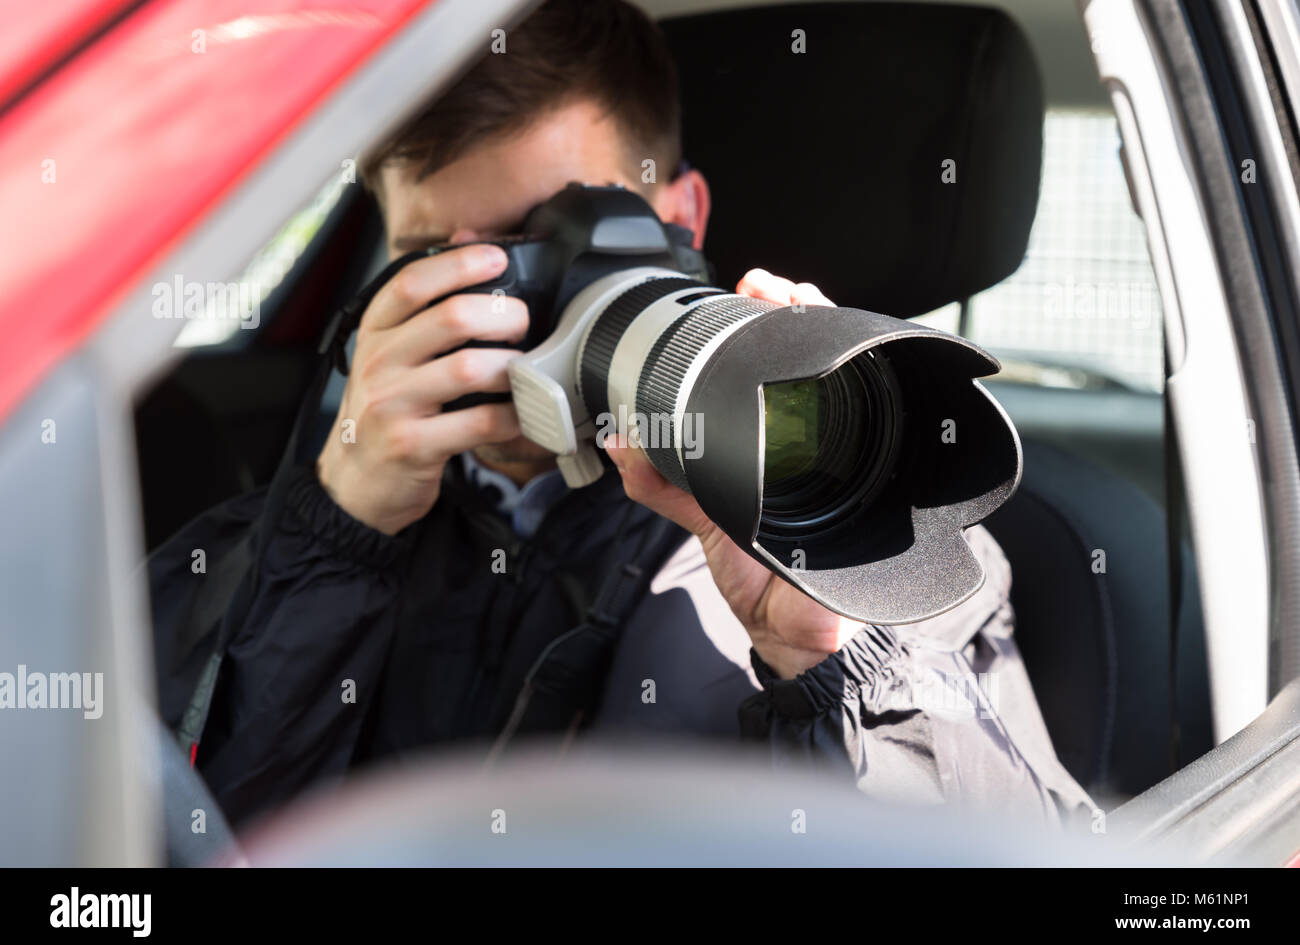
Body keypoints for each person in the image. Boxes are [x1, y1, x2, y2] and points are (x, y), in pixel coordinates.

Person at [148, 0, 1095, 829]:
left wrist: (829, 658)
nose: (493, 309)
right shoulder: (272, 547)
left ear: (682, 216)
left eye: (544, 237)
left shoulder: (867, 522)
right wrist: (336, 539)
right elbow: (155, 847)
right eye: (436, 258)